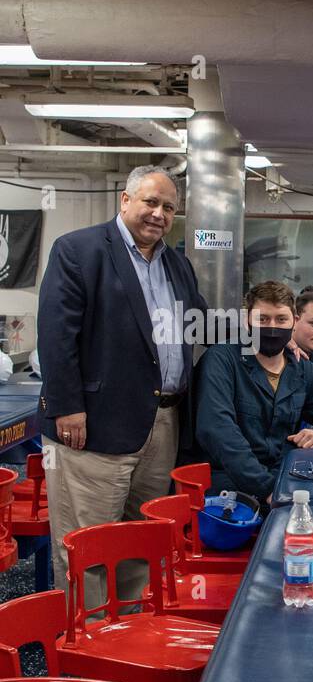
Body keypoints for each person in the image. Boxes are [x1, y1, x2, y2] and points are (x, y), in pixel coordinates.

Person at [37, 165, 206, 597]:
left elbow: (201, 324)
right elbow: (57, 335)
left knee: (141, 542)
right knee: (87, 543)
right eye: (151, 202)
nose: (159, 214)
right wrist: (67, 407)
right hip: (92, 423)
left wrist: (273, 341)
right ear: (126, 200)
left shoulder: (176, 264)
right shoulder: (79, 250)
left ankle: (128, 638)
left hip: (162, 422)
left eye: (169, 207)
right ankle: (86, 648)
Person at [195, 281, 313, 504]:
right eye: (262, 319)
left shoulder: (302, 369)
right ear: (247, 322)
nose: (272, 327)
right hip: (227, 488)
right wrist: (266, 489)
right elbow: (217, 430)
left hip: (283, 480)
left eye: (281, 319)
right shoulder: (221, 360)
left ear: (294, 321)